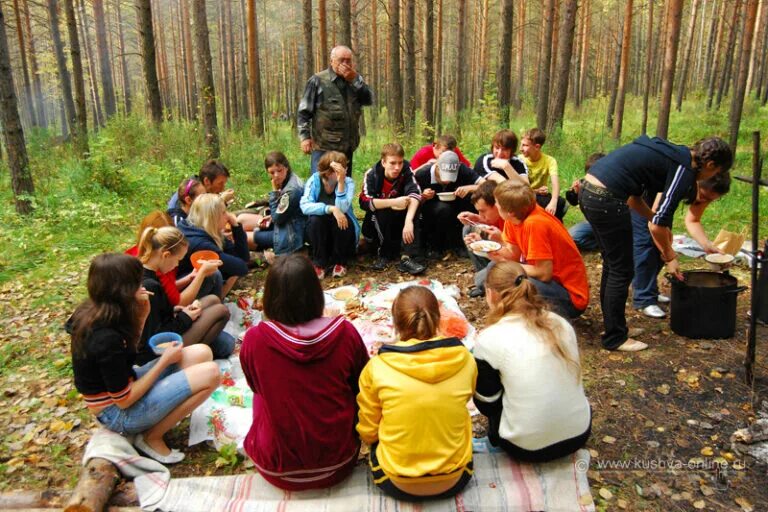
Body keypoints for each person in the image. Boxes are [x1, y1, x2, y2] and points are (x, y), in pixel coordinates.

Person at [579, 135, 733, 352]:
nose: (711, 177)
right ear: (710, 164)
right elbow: (657, 226)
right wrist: (670, 256)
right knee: (621, 270)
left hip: (589, 190)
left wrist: (653, 218)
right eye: (715, 173)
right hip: (606, 198)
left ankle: (614, 328)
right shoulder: (684, 169)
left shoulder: (673, 154)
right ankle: (615, 338)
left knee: (614, 267)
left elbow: (636, 200)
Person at [68, 253, 221, 464]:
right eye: (135, 281)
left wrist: (144, 313)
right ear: (122, 288)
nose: (141, 285)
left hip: (127, 384)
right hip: (117, 414)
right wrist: (165, 361)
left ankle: (155, 423)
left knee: (201, 352)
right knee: (211, 374)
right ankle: (152, 437)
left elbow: (130, 355)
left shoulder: (102, 310)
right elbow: (124, 400)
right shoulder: (104, 338)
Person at [240, 254, 369, 490]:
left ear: (270, 296)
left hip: (275, 467)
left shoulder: (255, 339)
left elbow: (255, 386)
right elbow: (363, 385)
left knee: (265, 391)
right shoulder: (345, 332)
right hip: (339, 462)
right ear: (315, 293)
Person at [356, 286, 477, 500]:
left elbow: (368, 432)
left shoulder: (377, 367)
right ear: (439, 319)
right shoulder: (465, 360)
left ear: (395, 323)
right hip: (456, 478)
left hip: (395, 481)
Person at [473, 262, 591, 462]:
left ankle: (497, 439)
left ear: (491, 294)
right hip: (579, 434)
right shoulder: (560, 322)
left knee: (492, 392)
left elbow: (487, 405)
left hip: (525, 447)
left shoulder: (489, 338)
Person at [632, 173, 732, 319]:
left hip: (662, 206)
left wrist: (706, 245)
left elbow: (693, 220)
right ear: (696, 183)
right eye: (704, 196)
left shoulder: (706, 190)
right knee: (646, 246)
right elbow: (654, 225)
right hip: (641, 200)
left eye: (711, 200)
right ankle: (643, 298)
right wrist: (670, 257)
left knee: (663, 243)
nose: (705, 201)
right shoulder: (678, 182)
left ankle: (651, 291)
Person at [485, 181, 589, 319]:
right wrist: (496, 251)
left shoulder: (535, 224)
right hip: (548, 283)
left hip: (569, 297)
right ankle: (508, 315)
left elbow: (544, 273)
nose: (495, 205)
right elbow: (514, 256)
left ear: (509, 212)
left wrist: (505, 262)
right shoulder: (514, 218)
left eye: (496, 203)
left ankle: (515, 319)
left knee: (514, 279)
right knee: (495, 268)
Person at [137, 226, 235, 365]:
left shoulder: (150, 270)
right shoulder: (150, 286)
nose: (177, 264)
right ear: (166, 255)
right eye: (178, 260)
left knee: (213, 300)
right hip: (156, 350)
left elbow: (161, 310)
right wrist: (186, 317)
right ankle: (188, 361)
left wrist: (178, 311)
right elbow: (156, 335)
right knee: (221, 312)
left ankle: (202, 346)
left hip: (169, 321)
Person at [298, 45, 373, 174]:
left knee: (342, 186)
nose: (345, 64)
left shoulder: (355, 80)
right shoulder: (318, 80)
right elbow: (304, 112)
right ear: (332, 61)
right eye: (341, 60)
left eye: (348, 60)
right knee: (320, 186)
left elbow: (369, 100)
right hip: (323, 146)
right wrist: (305, 137)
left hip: (347, 147)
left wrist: (355, 80)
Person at [126, 211, 223, 305]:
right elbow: (176, 303)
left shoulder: (150, 258)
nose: (177, 264)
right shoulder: (154, 272)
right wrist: (201, 274)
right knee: (217, 306)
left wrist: (189, 278)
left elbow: (166, 289)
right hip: (167, 314)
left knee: (214, 282)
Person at [359, 143, 426, 275]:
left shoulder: (406, 170)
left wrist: (408, 221)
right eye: (392, 163)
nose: (397, 168)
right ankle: (383, 254)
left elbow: (415, 193)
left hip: (399, 219)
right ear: (383, 162)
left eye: (400, 163)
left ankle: (407, 257)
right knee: (381, 209)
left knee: (414, 208)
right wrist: (392, 202)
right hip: (374, 223)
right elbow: (365, 202)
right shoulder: (372, 175)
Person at [300, 151, 359, 279]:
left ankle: (340, 262)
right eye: (339, 170)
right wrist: (330, 208)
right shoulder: (314, 181)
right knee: (315, 220)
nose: (344, 172)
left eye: (345, 168)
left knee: (342, 219)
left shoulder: (348, 182)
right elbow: (305, 206)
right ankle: (320, 262)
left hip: (341, 233)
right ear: (327, 172)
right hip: (321, 233)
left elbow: (342, 208)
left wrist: (341, 183)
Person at [178, 193, 250, 297]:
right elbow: (242, 267)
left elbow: (242, 258)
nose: (228, 216)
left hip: (185, 279)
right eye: (223, 212)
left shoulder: (192, 225)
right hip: (180, 290)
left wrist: (236, 226)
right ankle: (215, 303)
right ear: (212, 217)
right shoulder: (201, 244)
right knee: (217, 273)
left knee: (227, 267)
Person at [414, 150, 481, 258]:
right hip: (431, 210)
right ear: (436, 166)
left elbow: (487, 185)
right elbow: (411, 200)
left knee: (471, 198)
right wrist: (423, 196)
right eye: (443, 175)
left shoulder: (463, 170)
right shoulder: (422, 174)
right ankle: (435, 246)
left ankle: (461, 244)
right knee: (443, 209)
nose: (447, 181)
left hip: (457, 205)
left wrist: (470, 188)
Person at [238, 152, 306, 257]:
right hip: (282, 223)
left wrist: (274, 192)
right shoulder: (285, 180)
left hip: (289, 234)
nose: (276, 175)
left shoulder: (292, 190)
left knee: (240, 236)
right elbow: (280, 214)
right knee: (241, 220)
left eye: (279, 170)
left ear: (286, 167)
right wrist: (270, 217)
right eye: (272, 172)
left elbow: (278, 218)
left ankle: (263, 256)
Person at [458, 181, 506, 298]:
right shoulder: (500, 213)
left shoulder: (511, 217)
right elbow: (490, 221)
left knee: (479, 280)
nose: (480, 214)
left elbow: (516, 254)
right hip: (504, 250)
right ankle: (485, 273)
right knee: (469, 228)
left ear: (497, 205)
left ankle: (486, 278)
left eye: (483, 211)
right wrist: (476, 218)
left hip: (518, 260)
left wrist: (493, 243)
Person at [520, 128, 568, 220]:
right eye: (521, 144)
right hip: (524, 194)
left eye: (525, 145)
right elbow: (518, 187)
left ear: (537, 147)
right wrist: (536, 191)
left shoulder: (549, 160)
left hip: (540, 197)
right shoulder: (519, 160)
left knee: (558, 203)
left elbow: (555, 183)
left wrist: (553, 202)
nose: (520, 148)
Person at [566, 153, 605, 252]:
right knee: (571, 237)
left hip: (611, 224)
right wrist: (575, 192)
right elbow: (573, 202)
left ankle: (606, 243)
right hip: (591, 223)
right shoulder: (585, 183)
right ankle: (599, 244)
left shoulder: (614, 183)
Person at [167, 160, 235, 212]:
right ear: (207, 181)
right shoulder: (192, 191)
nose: (223, 189)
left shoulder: (201, 189)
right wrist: (221, 200)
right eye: (220, 184)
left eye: (224, 183)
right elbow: (201, 217)